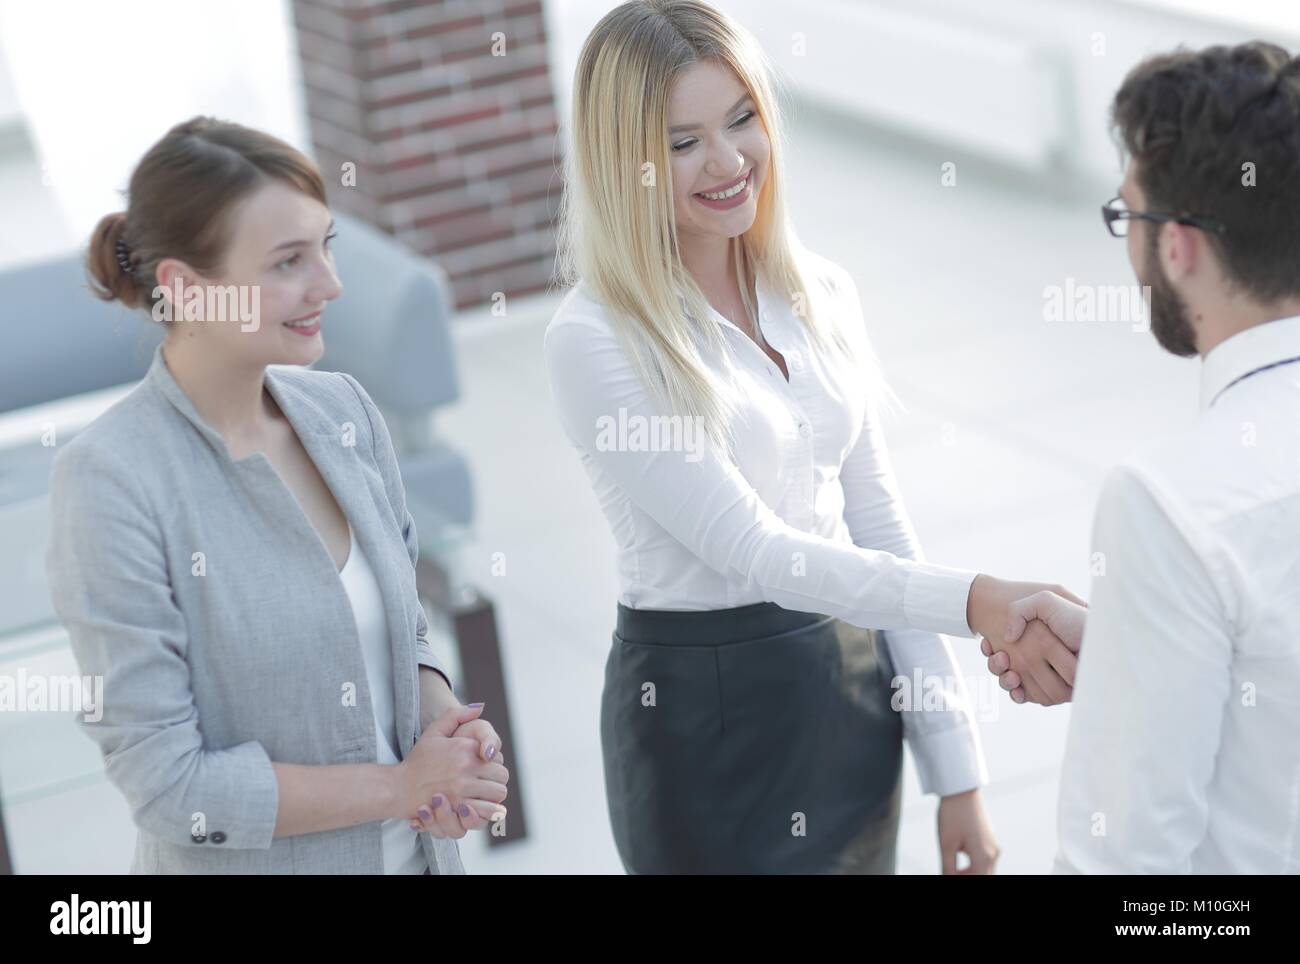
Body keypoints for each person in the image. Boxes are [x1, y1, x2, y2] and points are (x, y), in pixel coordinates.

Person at [543, 0, 1081, 874]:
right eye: (682, 143)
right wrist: (983, 599)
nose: (727, 161)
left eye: (742, 118)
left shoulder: (819, 290)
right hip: (702, 722)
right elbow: (759, 552)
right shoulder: (595, 338)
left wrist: (958, 775)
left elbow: (877, 523)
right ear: (624, 162)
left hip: (851, 684)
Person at [47, 116, 508, 873]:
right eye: (288, 261)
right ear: (186, 290)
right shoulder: (110, 483)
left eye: (325, 246)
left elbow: (405, 629)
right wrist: (400, 786)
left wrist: (443, 723)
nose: (329, 284)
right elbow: (169, 786)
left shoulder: (344, 412)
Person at [981, 42, 1300, 873]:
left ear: (1180, 246)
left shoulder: (1169, 503)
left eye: (1130, 217)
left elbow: (1125, 867)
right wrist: (1140, 648)